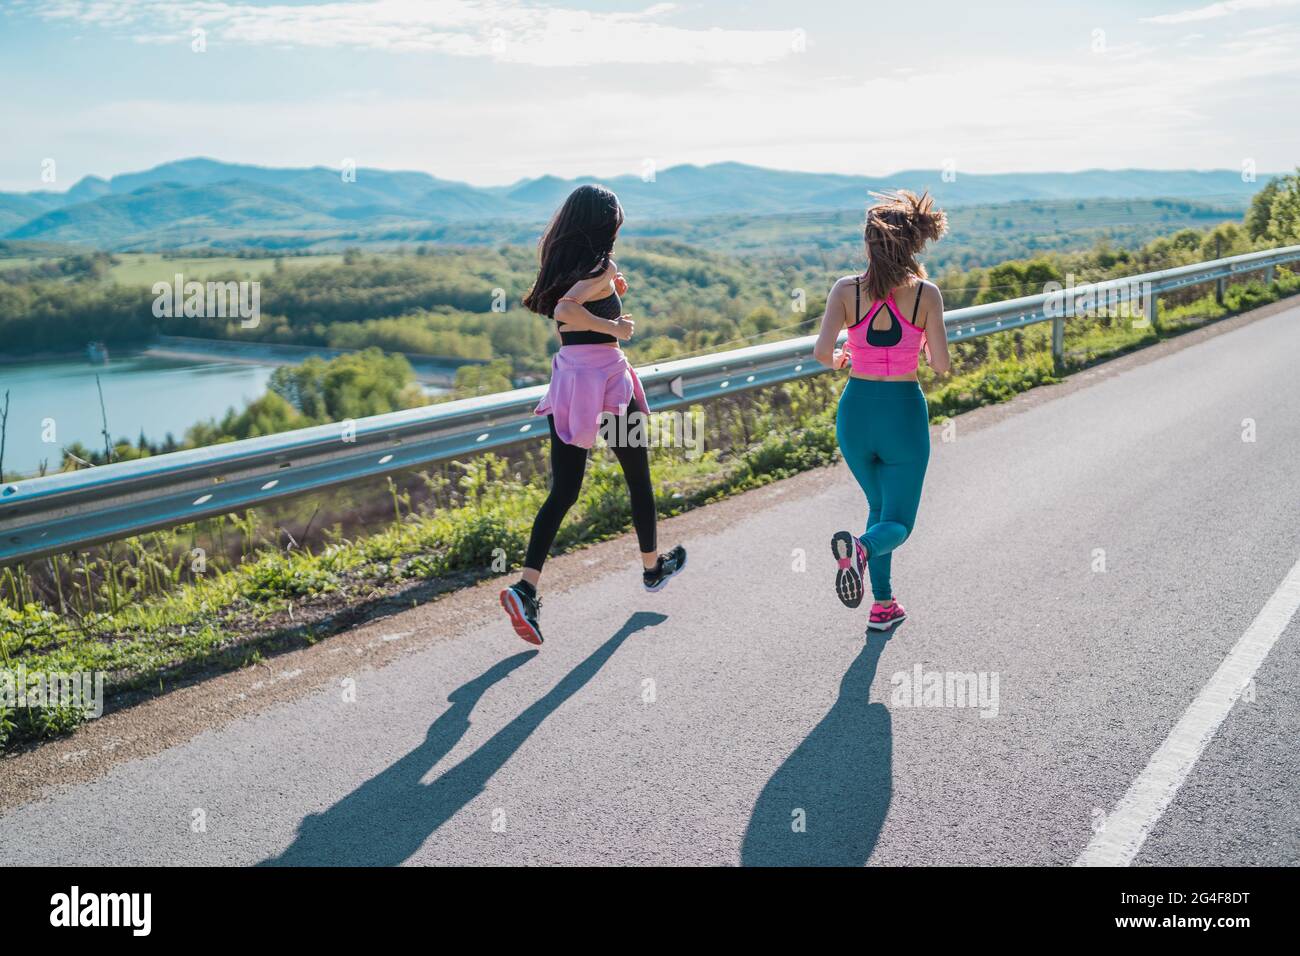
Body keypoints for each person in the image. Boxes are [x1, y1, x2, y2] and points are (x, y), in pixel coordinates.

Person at [499, 184, 686, 645]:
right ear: (605, 225)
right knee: (637, 479)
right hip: (610, 384)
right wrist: (614, 324)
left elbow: (567, 307)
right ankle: (651, 569)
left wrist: (607, 294)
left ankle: (526, 587)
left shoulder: (565, 268)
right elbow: (568, 310)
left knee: (563, 491)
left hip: (569, 381)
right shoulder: (599, 266)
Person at [813, 190, 950, 630]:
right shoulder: (925, 295)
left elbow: (821, 352)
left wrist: (840, 358)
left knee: (879, 507)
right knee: (899, 524)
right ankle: (861, 549)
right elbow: (941, 366)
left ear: (869, 244)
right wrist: (926, 343)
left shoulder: (844, 289)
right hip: (902, 414)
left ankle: (883, 605)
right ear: (912, 244)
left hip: (855, 415)